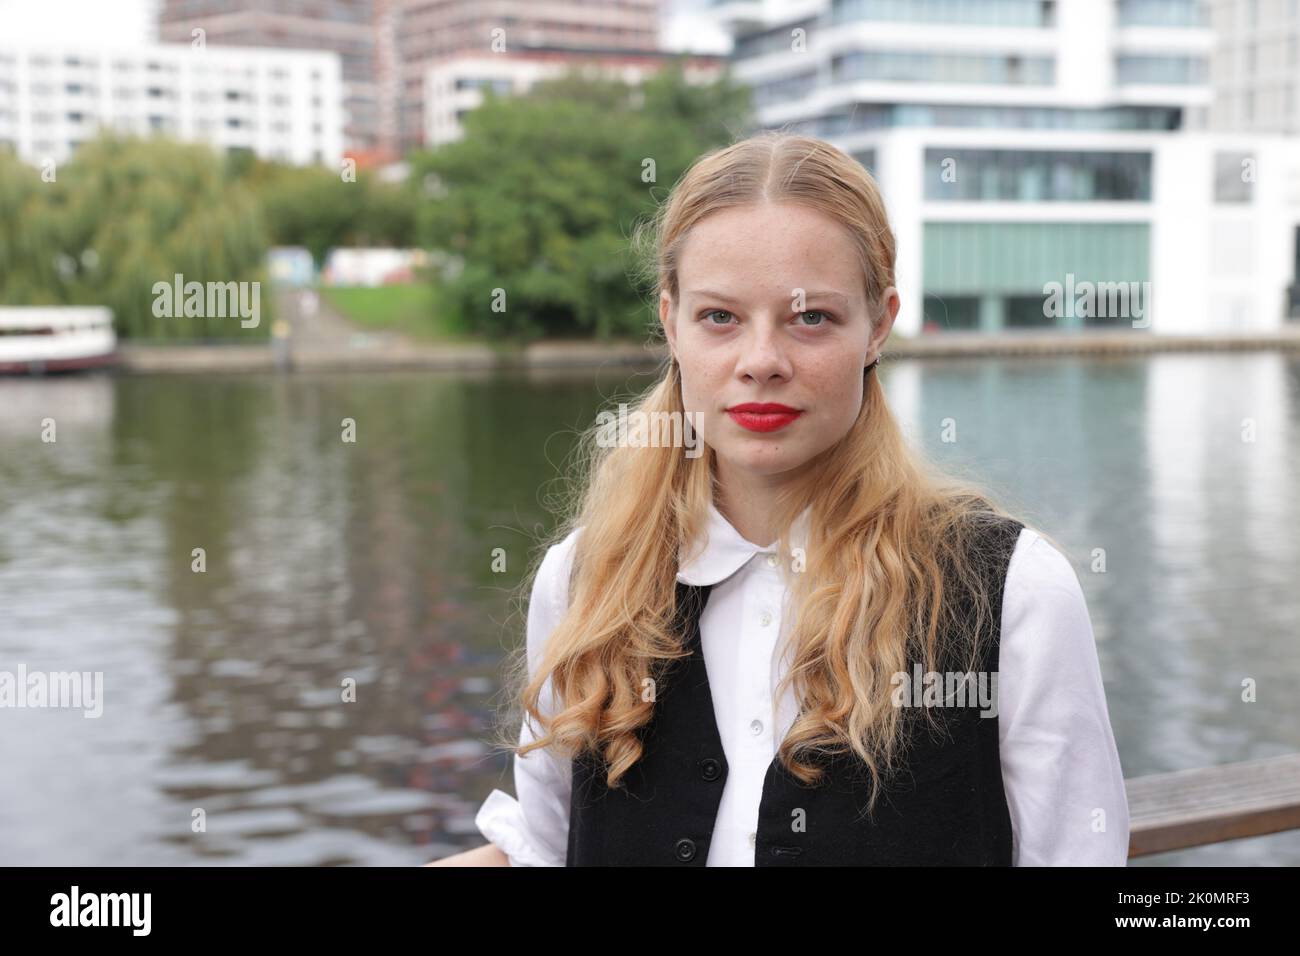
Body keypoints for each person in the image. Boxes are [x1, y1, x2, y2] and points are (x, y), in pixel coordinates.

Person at [428, 131, 1129, 867]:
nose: (761, 362)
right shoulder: (580, 581)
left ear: (878, 325)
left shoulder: (1013, 590)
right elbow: (546, 849)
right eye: (720, 318)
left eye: (810, 318)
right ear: (671, 322)